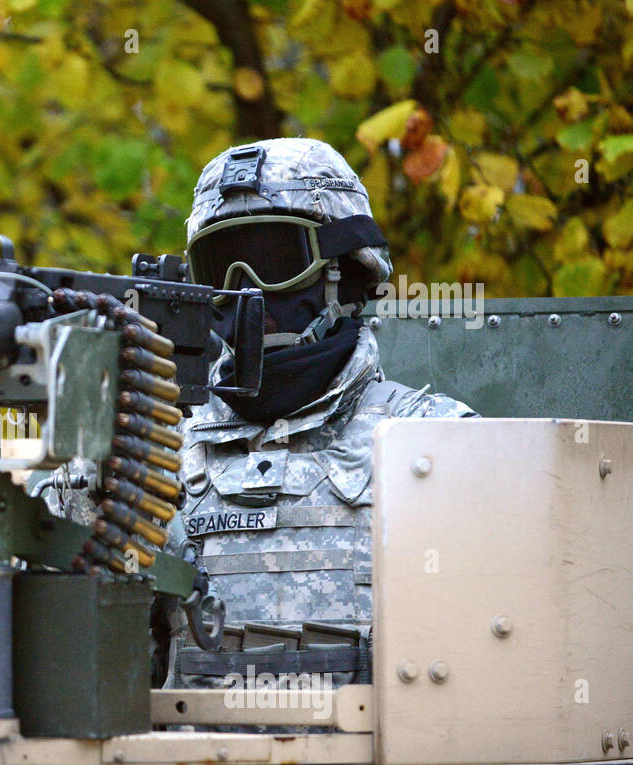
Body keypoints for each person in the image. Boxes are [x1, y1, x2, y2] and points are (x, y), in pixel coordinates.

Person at [159, 137, 477, 691]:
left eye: (273, 260)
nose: (245, 289)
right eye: (220, 267)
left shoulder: (438, 446)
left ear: (343, 272)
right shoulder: (156, 452)